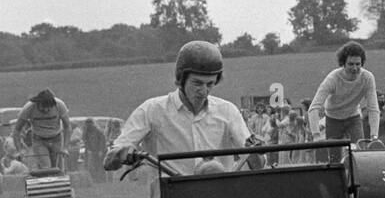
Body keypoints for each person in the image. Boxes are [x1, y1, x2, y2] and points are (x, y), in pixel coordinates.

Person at [104, 41, 259, 177]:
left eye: (210, 84)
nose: (204, 90)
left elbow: (256, 163)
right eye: (197, 83)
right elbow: (109, 161)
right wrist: (123, 153)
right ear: (181, 80)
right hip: (171, 197)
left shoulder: (227, 111)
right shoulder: (152, 110)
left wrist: (255, 152)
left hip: (219, 193)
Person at [308, 41, 381, 160]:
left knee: (360, 154)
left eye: (358, 64)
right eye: (350, 64)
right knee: (334, 157)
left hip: (353, 117)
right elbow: (313, 108)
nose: (355, 68)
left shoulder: (368, 78)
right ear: (343, 63)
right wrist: (316, 135)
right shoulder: (333, 78)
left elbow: (373, 108)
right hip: (333, 118)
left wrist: (374, 135)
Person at [14, 88, 72, 170]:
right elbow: (17, 130)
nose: (45, 110)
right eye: (43, 107)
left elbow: (67, 127)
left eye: (48, 108)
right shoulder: (29, 108)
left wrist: (65, 147)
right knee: (46, 168)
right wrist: (19, 150)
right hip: (39, 140)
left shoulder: (59, 105)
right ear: (38, 103)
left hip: (56, 139)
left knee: (58, 169)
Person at [81, 118, 108, 183]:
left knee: (100, 166)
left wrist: (101, 151)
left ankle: (102, 180)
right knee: (93, 166)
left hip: (100, 151)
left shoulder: (98, 131)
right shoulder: (86, 131)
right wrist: (88, 149)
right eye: (87, 124)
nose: (88, 125)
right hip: (92, 151)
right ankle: (95, 179)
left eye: (89, 123)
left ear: (92, 123)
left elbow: (102, 141)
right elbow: (85, 140)